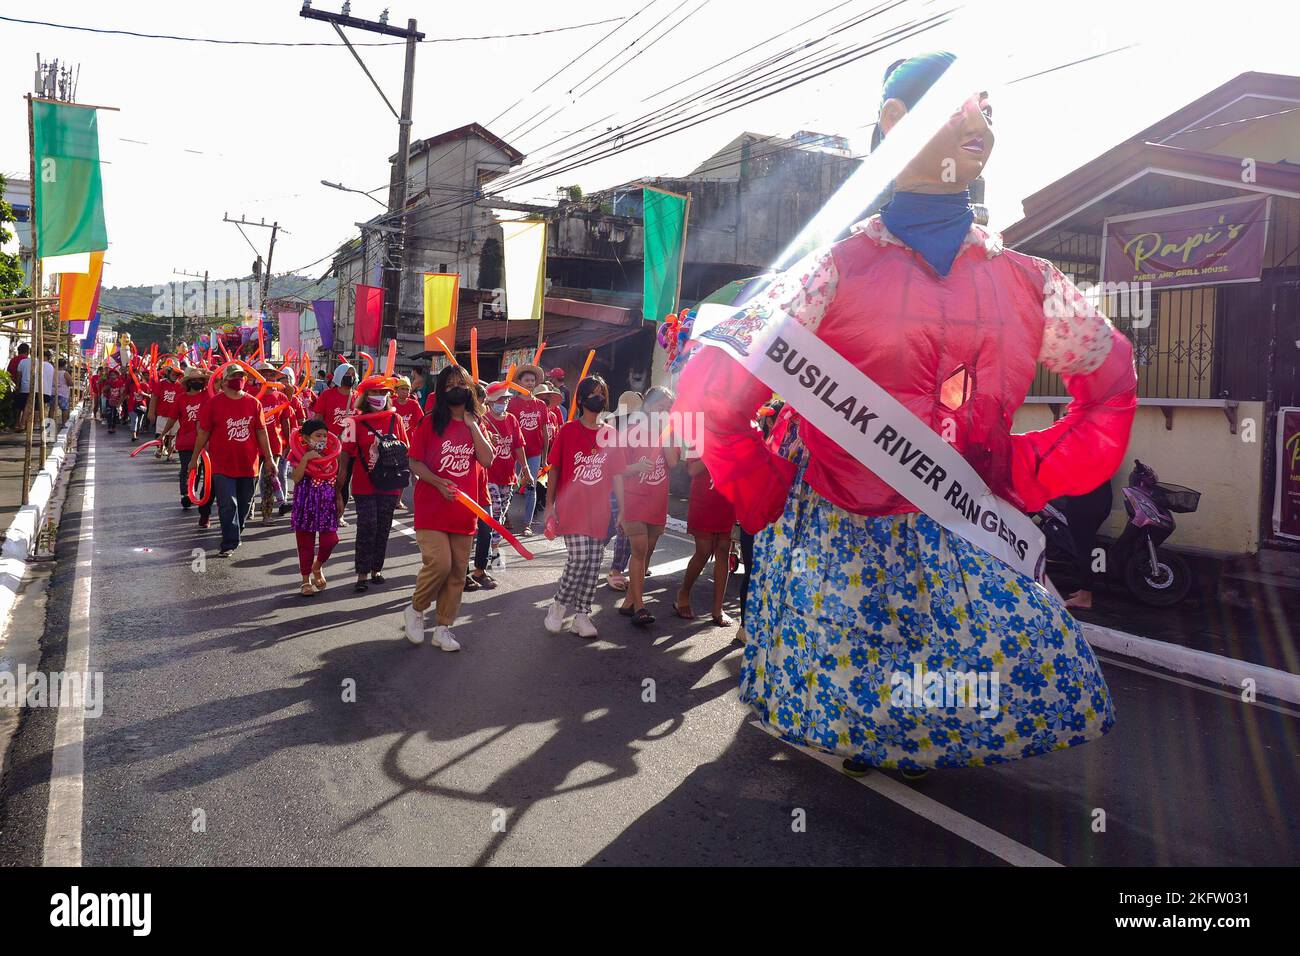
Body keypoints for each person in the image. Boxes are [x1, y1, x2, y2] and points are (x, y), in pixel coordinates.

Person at [673, 51, 1136, 776]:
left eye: (989, 109)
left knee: (945, 687)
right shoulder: (833, 269)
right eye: (962, 106)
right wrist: (772, 489)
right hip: (851, 533)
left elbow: (1111, 384)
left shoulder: (1028, 282)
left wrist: (1023, 468)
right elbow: (713, 385)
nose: (981, 123)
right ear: (894, 124)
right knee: (874, 688)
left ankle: (891, 742)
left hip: (961, 524)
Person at [403, 364, 494, 652]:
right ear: (441, 390)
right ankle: (416, 609)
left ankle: (443, 628)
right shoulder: (430, 423)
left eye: (461, 383)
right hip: (432, 508)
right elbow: (414, 462)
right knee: (440, 564)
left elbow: (488, 459)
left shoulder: (476, 423)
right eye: (450, 384)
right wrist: (438, 482)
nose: (457, 388)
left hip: (464, 511)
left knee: (457, 573)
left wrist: (472, 425)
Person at [542, 374, 622, 639]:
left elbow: (617, 474)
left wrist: (622, 509)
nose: (597, 397)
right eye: (592, 393)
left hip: (600, 511)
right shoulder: (568, 431)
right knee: (579, 558)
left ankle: (582, 615)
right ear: (581, 399)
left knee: (594, 562)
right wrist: (550, 505)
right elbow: (554, 470)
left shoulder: (611, 434)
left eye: (601, 393)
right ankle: (558, 605)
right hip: (571, 509)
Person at [190, 363, 274, 557]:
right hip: (221, 464)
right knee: (228, 504)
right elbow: (203, 434)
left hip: (249, 464)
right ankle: (229, 542)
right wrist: (194, 459)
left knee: (244, 505)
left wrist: (269, 459)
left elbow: (262, 432)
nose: (239, 380)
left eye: (241, 376)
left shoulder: (254, 403)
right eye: (234, 376)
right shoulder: (213, 403)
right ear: (224, 382)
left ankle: (236, 531)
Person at [613, 386, 678, 626]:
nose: (664, 412)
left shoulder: (667, 432)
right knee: (639, 549)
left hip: (657, 498)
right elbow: (617, 469)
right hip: (634, 497)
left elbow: (672, 462)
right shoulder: (630, 431)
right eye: (662, 407)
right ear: (649, 405)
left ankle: (629, 602)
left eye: (668, 409)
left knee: (647, 551)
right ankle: (640, 607)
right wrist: (636, 468)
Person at [340, 375, 409, 592]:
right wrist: (340, 482)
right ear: (365, 396)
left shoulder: (395, 419)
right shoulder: (352, 422)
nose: (379, 397)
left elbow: (405, 447)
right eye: (374, 393)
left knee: (383, 526)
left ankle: (376, 569)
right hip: (364, 482)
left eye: (383, 393)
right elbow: (345, 454)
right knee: (367, 525)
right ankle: (362, 573)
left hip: (390, 482)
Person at [471, 381, 532, 589]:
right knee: (494, 514)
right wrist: (489, 439)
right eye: (499, 400)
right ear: (489, 401)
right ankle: (487, 555)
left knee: (501, 513)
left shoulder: (512, 420)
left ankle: (493, 548)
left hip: (508, 476)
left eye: (505, 399)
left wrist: (526, 469)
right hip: (488, 476)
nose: (503, 403)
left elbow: (518, 445)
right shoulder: (483, 420)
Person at [674, 458, 738, 626]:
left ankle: (718, 609)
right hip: (704, 500)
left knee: (723, 551)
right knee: (703, 551)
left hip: (727, 500)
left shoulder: (738, 436)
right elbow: (692, 470)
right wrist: (716, 451)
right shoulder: (702, 437)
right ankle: (683, 593)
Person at [289, 418, 340, 597]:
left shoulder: (331, 453)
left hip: (327, 503)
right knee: (305, 544)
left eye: (324, 436)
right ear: (305, 437)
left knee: (330, 540)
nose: (322, 439)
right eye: (318, 435)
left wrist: (340, 500)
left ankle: (317, 566)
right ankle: (305, 580)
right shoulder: (297, 453)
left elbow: (337, 479)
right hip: (305, 502)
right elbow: (295, 478)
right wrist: (306, 458)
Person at [1052, 479, 1114, 611]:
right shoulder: (1102, 458)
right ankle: (1086, 589)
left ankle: (1085, 596)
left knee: (1084, 549)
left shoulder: (1080, 459)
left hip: (1084, 502)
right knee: (1089, 544)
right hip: (1102, 499)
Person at [508, 364, 550, 536]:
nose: (530, 383)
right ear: (519, 382)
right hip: (513, 453)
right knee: (510, 486)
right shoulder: (511, 404)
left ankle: (527, 524)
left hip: (534, 454)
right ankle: (504, 516)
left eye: (532, 380)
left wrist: (544, 458)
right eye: (526, 380)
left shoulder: (541, 405)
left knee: (531, 488)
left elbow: (545, 433)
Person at [316, 363, 358, 525]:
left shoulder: (357, 397)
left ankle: (339, 514)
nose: (350, 377)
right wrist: (317, 444)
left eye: (352, 374)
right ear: (340, 375)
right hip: (329, 448)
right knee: (328, 480)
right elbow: (318, 419)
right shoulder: (327, 396)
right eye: (347, 373)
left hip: (350, 448)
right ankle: (325, 511)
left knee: (344, 481)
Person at [148, 364, 183, 460]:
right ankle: (160, 449)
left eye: (176, 374)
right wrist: (151, 412)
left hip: (175, 416)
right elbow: (154, 398)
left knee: (173, 435)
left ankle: (170, 454)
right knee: (160, 434)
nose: (175, 376)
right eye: (173, 374)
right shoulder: (160, 384)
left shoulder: (180, 386)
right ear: (168, 373)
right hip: (162, 414)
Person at [6, 343, 28, 431]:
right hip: (23, 386)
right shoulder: (27, 360)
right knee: (25, 406)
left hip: (12, 385)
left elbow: (8, 372)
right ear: (28, 351)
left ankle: (15, 423)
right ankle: (22, 424)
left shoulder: (13, 360)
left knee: (16, 406)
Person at [103, 366, 127, 435]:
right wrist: (107, 388)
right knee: (109, 414)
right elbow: (104, 390)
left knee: (115, 414)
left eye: (114, 375)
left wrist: (120, 402)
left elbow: (122, 392)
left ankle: (113, 427)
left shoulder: (120, 382)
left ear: (117, 375)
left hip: (117, 401)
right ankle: (109, 427)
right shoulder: (108, 382)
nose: (112, 376)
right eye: (111, 375)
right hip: (109, 400)